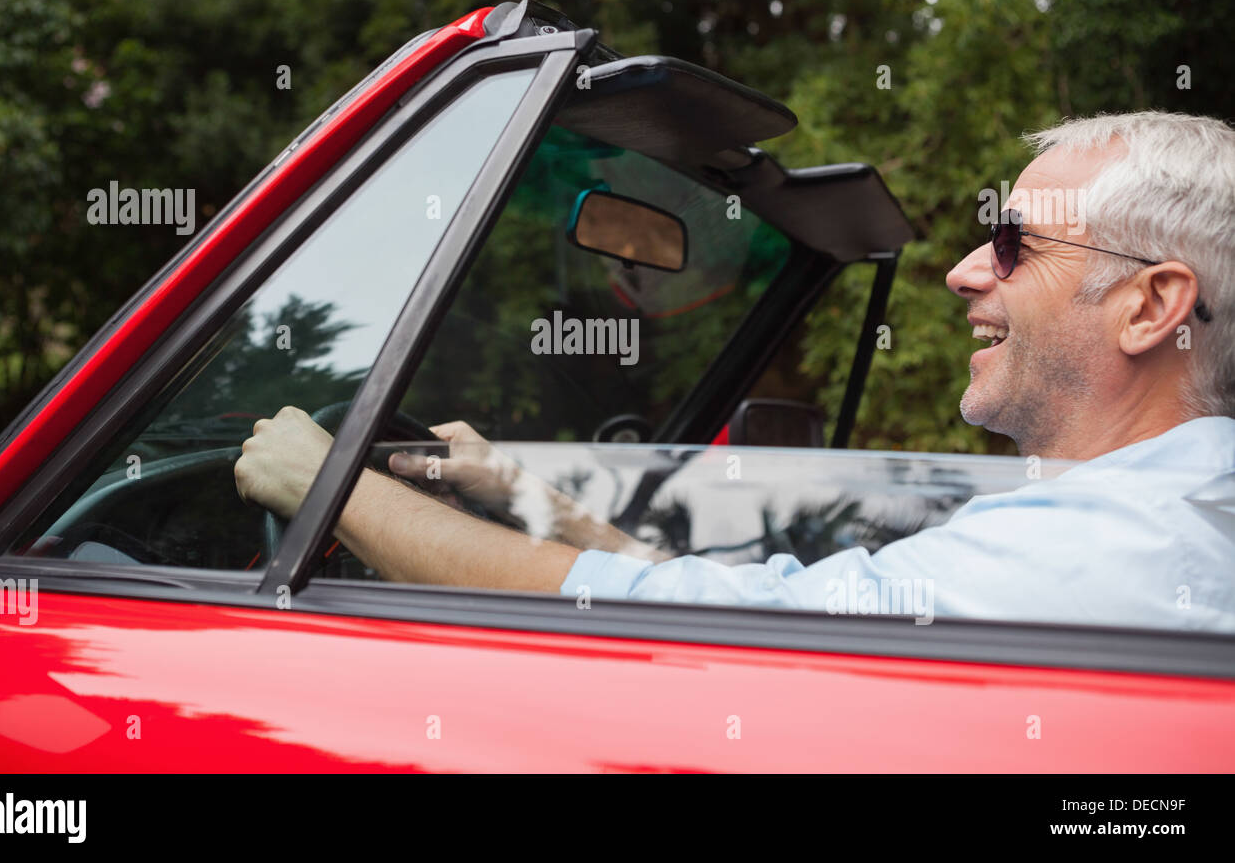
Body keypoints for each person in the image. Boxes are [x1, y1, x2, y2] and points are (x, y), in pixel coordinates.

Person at [235, 111, 1235, 631]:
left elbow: (688, 633)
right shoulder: (1170, 511)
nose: (964, 269)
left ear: (1150, 306)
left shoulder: (1094, 549)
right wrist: (535, 502)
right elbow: (773, 615)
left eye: (1015, 246)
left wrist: (335, 489)